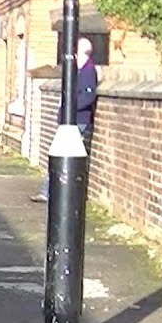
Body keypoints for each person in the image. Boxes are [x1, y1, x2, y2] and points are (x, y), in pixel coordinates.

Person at [32, 37, 97, 202]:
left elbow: (88, 96)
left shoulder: (88, 71)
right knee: (60, 154)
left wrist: (69, 109)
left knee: (63, 155)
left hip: (77, 120)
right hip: (70, 120)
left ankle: (52, 191)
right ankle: (51, 190)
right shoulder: (77, 70)